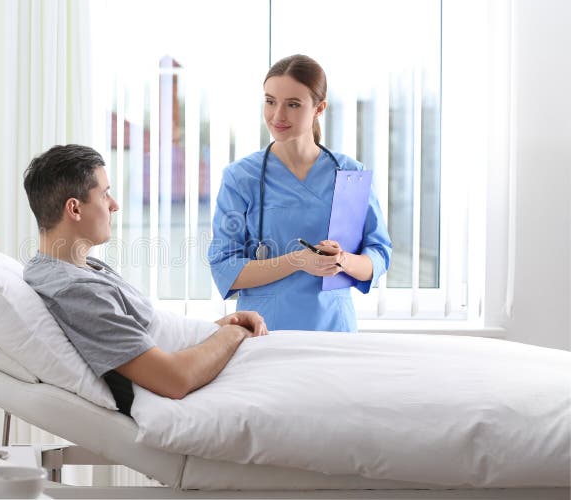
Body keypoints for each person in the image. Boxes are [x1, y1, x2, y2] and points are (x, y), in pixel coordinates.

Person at [22, 144, 267, 415]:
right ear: (75, 209)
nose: (114, 205)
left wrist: (221, 326)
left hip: (219, 358)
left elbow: (151, 336)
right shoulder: (76, 291)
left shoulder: (81, 269)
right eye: (105, 194)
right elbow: (174, 380)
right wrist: (232, 334)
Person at [208, 54, 392, 332]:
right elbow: (225, 268)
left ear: (319, 108)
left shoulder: (349, 174)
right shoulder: (240, 177)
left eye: (293, 104)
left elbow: (378, 256)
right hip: (263, 329)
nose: (277, 115)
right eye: (270, 101)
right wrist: (299, 261)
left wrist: (342, 260)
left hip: (333, 328)